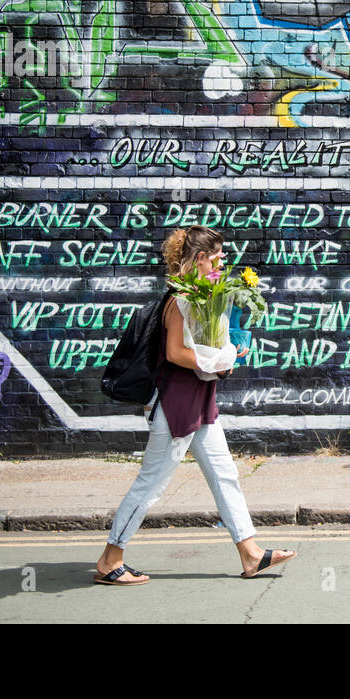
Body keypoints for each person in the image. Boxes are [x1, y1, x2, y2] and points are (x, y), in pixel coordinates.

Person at [94, 225, 295, 585]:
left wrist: (227, 350)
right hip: (175, 407)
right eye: (217, 256)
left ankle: (250, 554)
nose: (222, 261)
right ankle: (111, 559)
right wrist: (218, 360)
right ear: (200, 259)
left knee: (224, 475)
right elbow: (175, 353)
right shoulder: (179, 299)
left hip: (199, 402)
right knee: (151, 485)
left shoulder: (202, 296)